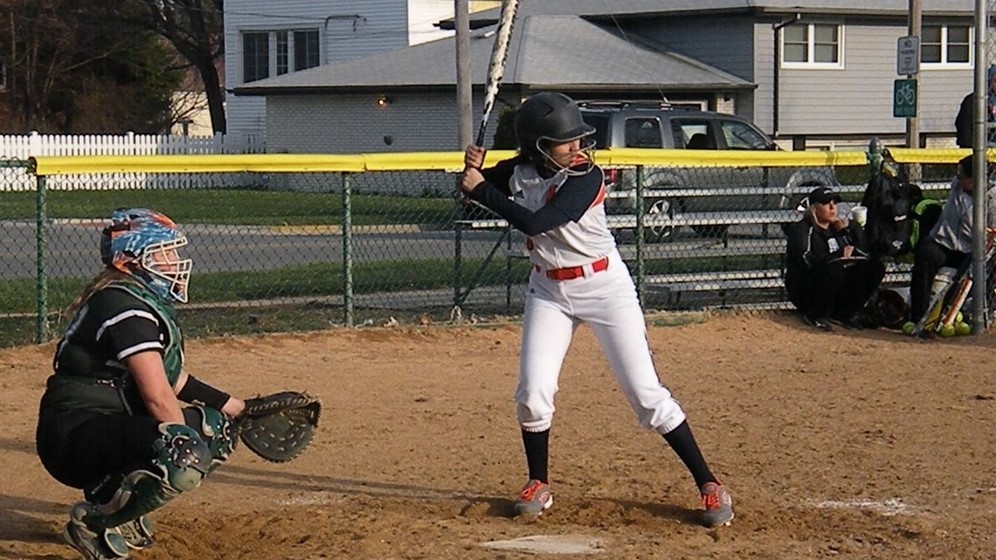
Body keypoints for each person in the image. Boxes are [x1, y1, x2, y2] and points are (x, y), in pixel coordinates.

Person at [458, 92, 734, 528]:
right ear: (537, 147)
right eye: (564, 142)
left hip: (604, 287)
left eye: (577, 140)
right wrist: (470, 174)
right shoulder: (520, 170)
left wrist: (481, 190)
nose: (576, 148)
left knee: (646, 396)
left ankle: (709, 483)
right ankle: (538, 483)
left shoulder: (587, 176)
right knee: (532, 395)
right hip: (548, 290)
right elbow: (471, 192)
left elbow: (535, 222)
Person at [36, 208, 248, 560]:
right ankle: (95, 521)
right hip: (73, 435)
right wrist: (180, 447)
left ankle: (122, 506)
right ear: (131, 260)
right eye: (163, 253)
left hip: (104, 424)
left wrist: (240, 408)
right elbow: (157, 396)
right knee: (183, 449)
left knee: (219, 428)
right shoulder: (123, 306)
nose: (175, 261)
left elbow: (170, 379)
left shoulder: (134, 298)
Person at [783, 186, 886, 331]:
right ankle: (815, 315)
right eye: (826, 203)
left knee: (875, 268)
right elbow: (805, 260)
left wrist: (854, 228)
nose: (833, 207)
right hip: (806, 289)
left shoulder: (838, 230)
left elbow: (864, 255)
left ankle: (845, 313)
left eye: (835, 203)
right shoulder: (802, 229)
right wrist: (837, 257)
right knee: (833, 270)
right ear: (814, 208)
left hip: (836, 286)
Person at [909, 155, 996, 323]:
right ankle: (918, 318)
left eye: (962, 176)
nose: (957, 178)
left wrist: (981, 257)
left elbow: (992, 235)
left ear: (975, 180)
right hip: (942, 242)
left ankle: (956, 317)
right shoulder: (957, 186)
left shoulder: (991, 198)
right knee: (926, 256)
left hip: (970, 249)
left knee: (967, 276)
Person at [954, 65, 996, 148]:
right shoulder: (974, 100)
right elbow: (964, 129)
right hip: (977, 144)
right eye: (995, 81)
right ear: (989, 81)